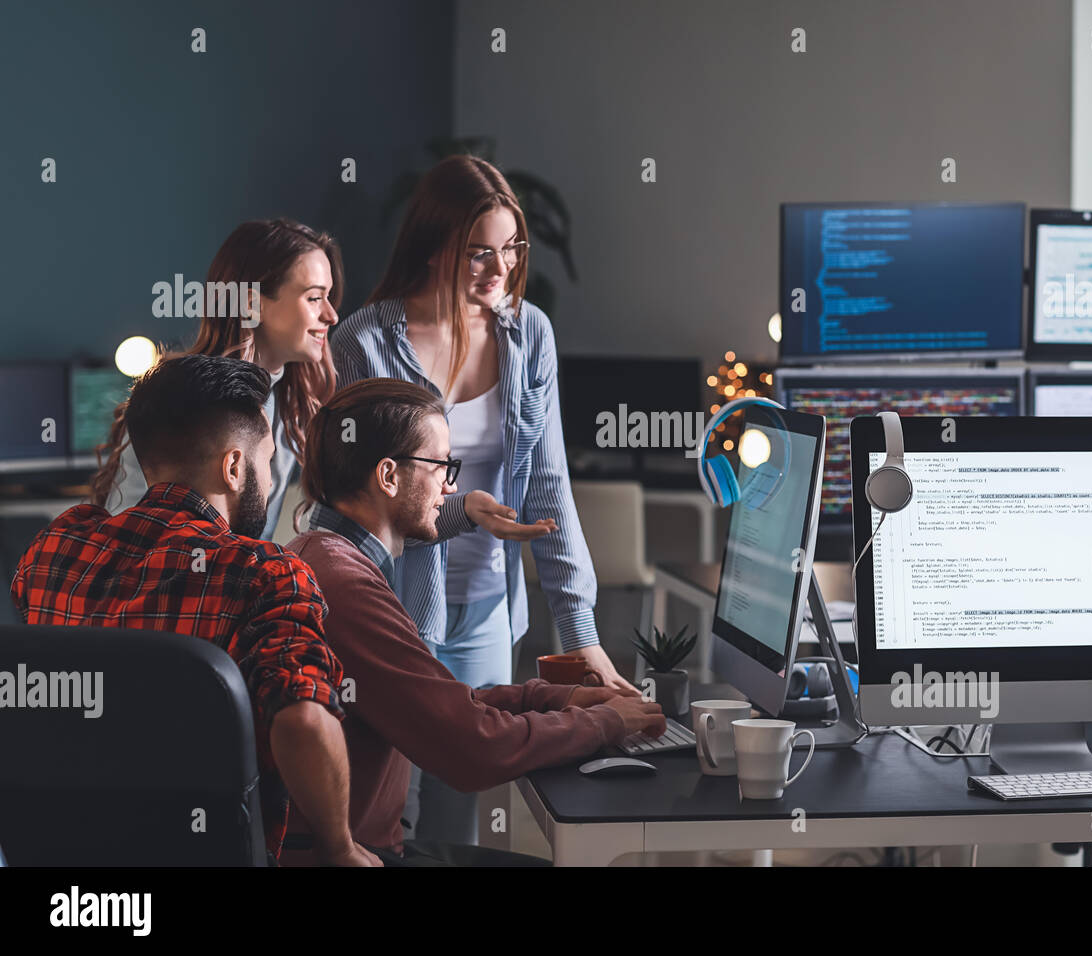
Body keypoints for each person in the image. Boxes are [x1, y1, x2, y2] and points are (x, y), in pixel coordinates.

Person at [330, 156, 635, 842]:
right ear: (434, 246)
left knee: (458, 819)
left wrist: (579, 636)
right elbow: (354, 501)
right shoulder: (365, 342)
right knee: (388, 817)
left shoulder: (529, 334)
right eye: (478, 254)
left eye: (510, 249)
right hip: (392, 616)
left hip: (490, 612)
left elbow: (549, 484)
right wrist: (459, 511)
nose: (499, 270)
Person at [11, 355, 378, 866]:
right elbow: (303, 723)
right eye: (267, 462)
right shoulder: (264, 572)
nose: (270, 483)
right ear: (233, 467)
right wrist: (340, 850)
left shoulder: (57, 548)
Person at [283, 378, 664, 864]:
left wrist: (554, 698)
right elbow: (472, 749)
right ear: (387, 476)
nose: (451, 486)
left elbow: (442, 703)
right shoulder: (345, 585)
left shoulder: (328, 558)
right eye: (441, 465)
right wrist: (605, 722)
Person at [91, 219, 342, 538]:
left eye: (329, 296)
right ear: (252, 303)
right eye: (313, 297)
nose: (332, 315)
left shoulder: (292, 405)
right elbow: (125, 524)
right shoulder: (177, 397)